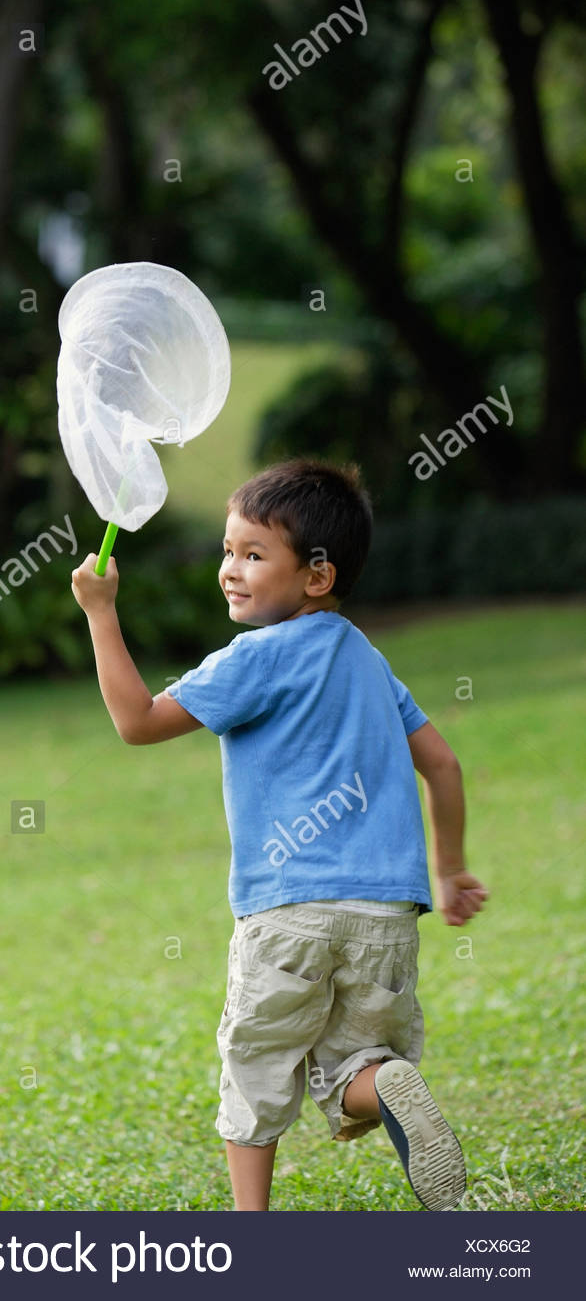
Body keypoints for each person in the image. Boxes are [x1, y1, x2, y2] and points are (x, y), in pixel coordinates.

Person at [70, 456, 488, 1212]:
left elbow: (137, 722)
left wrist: (101, 612)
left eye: (254, 555)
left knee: (256, 1069)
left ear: (317, 577)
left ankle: (251, 1234)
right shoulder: (367, 659)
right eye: (229, 551)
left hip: (286, 911)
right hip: (386, 915)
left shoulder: (254, 659)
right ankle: (385, 1084)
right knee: (353, 1062)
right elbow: (445, 766)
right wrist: (451, 871)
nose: (231, 570)